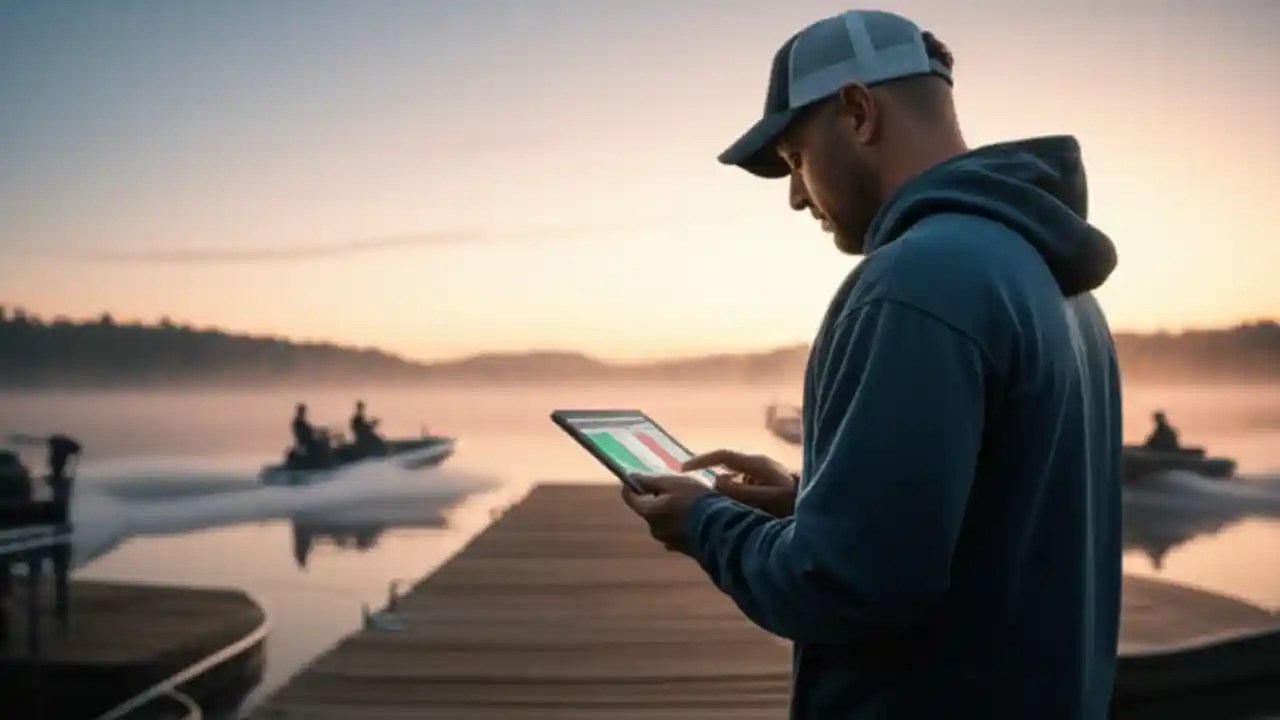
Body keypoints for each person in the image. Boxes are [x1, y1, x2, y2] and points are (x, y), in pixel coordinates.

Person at [619, 10, 1122, 719]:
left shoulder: (916, 281)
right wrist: (812, 503)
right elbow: (1002, 520)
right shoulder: (1059, 283)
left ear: (858, 112)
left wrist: (706, 525)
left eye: (795, 159)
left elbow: (846, 586)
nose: (796, 197)